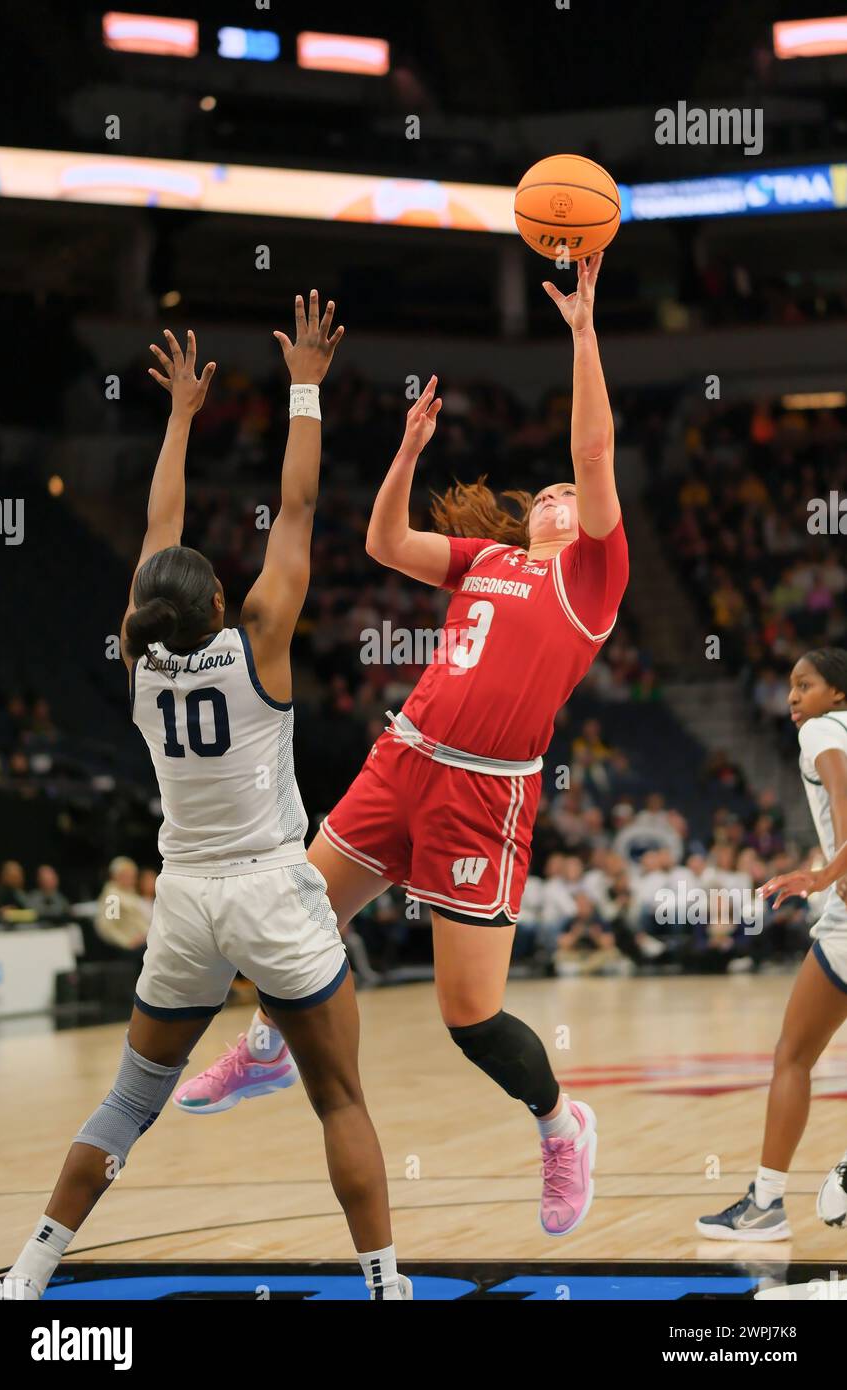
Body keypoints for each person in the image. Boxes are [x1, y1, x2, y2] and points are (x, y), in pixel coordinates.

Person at [177, 253, 629, 1237]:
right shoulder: (491, 558)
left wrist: (583, 331)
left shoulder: (589, 580)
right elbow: (384, 543)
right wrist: (408, 450)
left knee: (467, 1015)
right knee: (291, 910)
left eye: (567, 495)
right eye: (543, 494)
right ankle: (266, 1045)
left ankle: (560, 1125)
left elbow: (592, 456)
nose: (556, 497)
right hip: (404, 756)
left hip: (484, 793)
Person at [0, 295, 408, 1302]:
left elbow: (156, 528)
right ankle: (386, 1287)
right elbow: (299, 510)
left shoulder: (137, 661)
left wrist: (179, 415)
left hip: (184, 897)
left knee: (131, 1096)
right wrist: (302, 382)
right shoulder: (260, 636)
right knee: (338, 1095)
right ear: (220, 604)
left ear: (145, 614)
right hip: (270, 885)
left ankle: (31, 1264)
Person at [698, 649, 847, 1240]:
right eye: (790, 687)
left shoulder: (822, 730)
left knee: (793, 1055)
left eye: (804, 685)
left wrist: (823, 876)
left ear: (836, 693)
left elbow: (845, 804)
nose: (792, 698)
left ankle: (766, 1204)